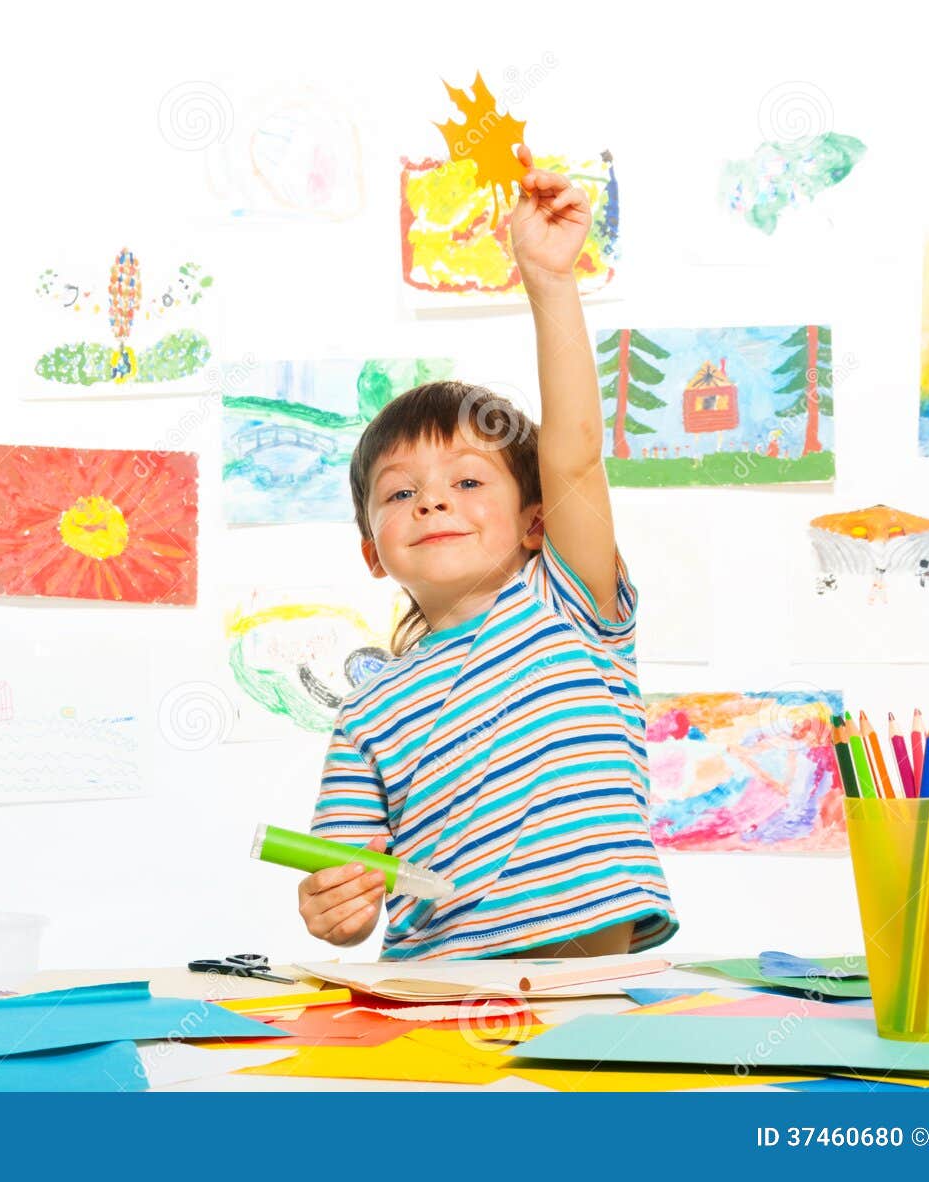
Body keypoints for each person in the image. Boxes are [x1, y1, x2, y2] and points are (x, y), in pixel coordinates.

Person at [297, 147, 678, 959]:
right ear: (373, 553)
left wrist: (549, 281)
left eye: (468, 481)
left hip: (585, 991)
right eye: (401, 494)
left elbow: (574, 454)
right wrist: (335, 903)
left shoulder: (567, 604)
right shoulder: (365, 717)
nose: (432, 501)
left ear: (536, 521)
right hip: (433, 1000)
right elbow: (346, 885)